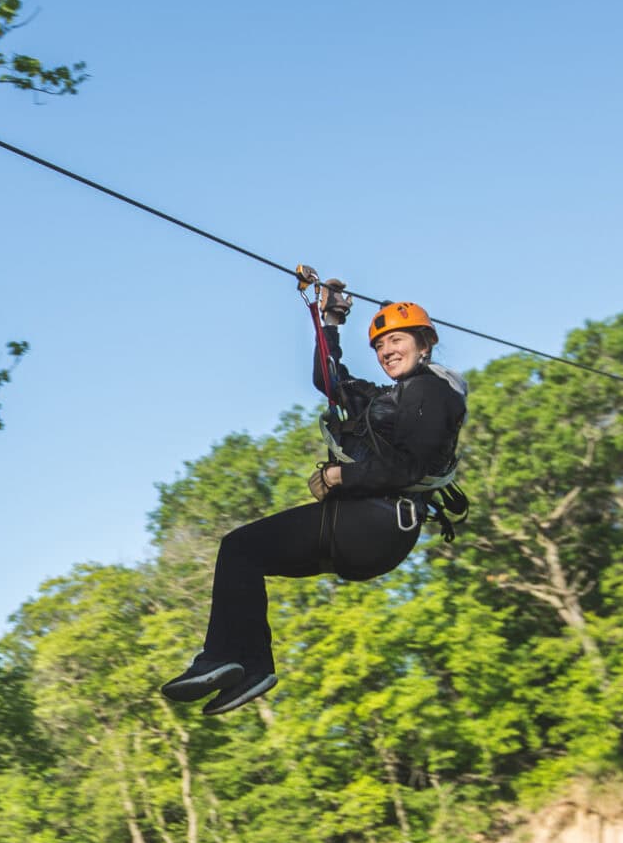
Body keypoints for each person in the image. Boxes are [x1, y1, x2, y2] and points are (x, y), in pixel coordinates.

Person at [160, 276, 468, 716]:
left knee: (240, 548)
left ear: (425, 343)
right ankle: (252, 666)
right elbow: (329, 379)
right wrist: (331, 321)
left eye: (397, 340)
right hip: (368, 531)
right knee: (246, 557)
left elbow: (409, 467)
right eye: (380, 346)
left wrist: (342, 476)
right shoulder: (388, 398)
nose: (386, 351)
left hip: (375, 521)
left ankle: (227, 657)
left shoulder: (431, 389)